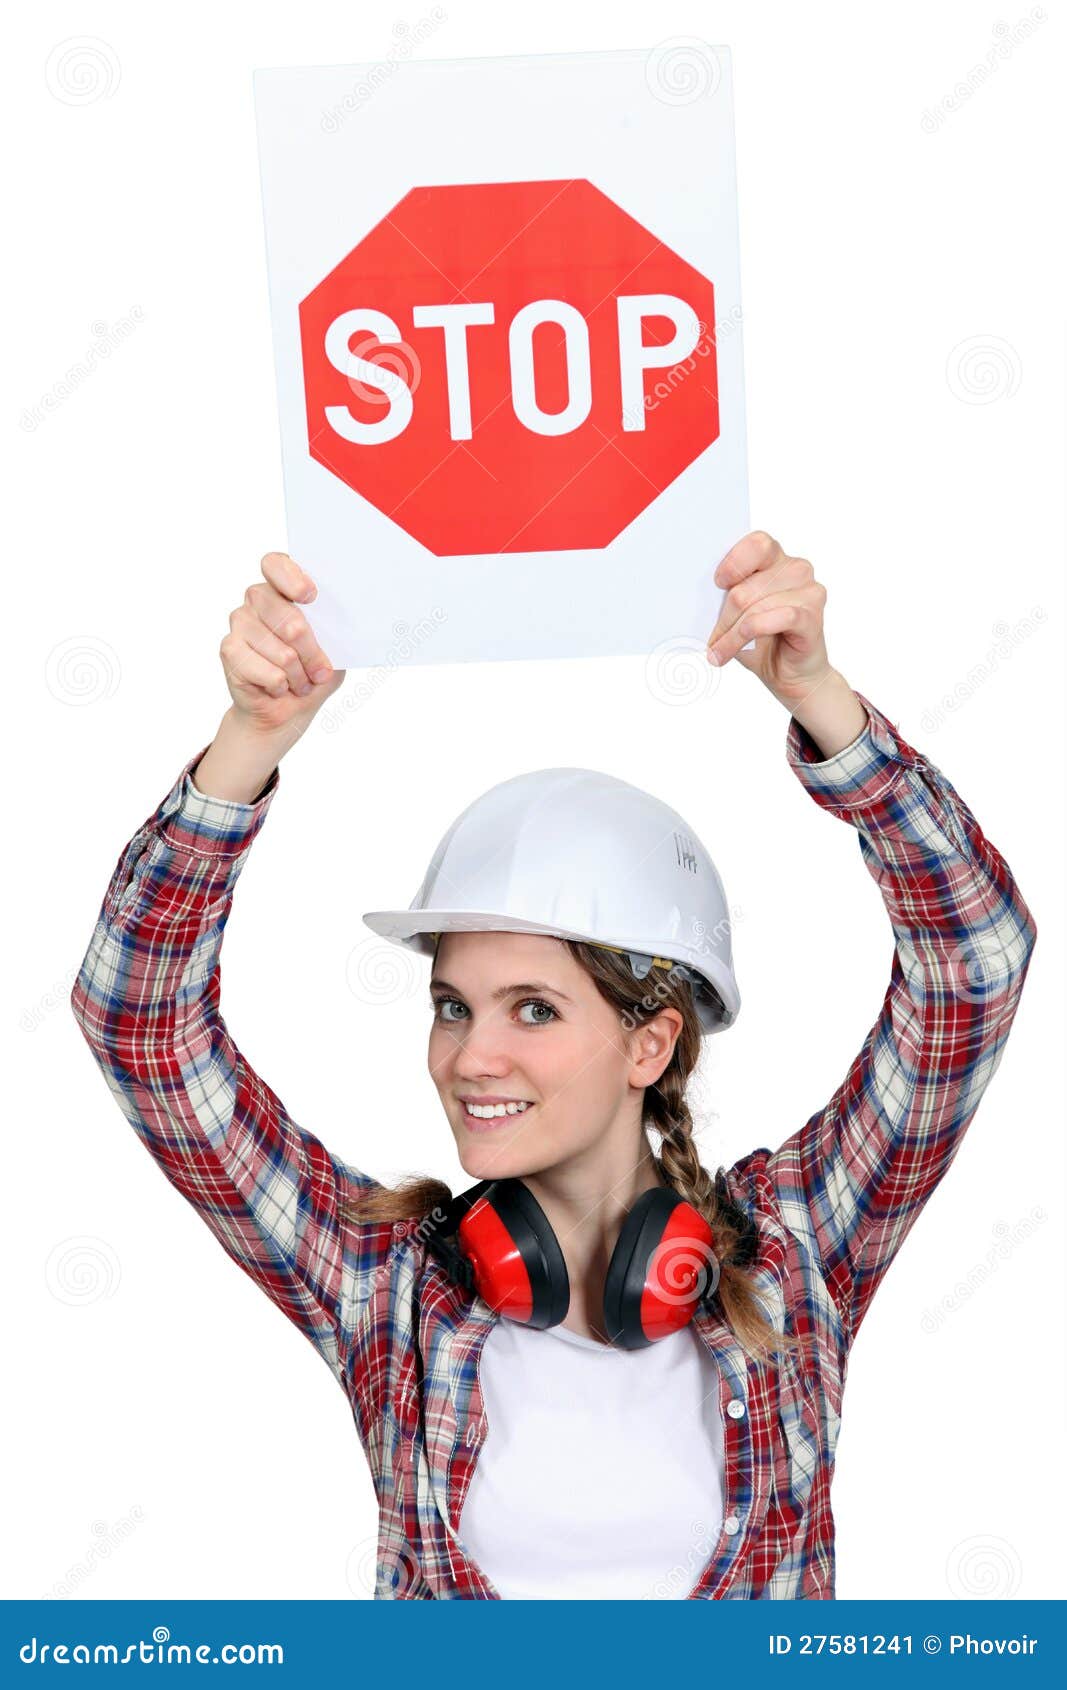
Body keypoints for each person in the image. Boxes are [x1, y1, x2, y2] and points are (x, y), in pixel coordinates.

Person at [70, 531, 1036, 1599]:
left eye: (532, 1007)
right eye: (451, 1005)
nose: (470, 1055)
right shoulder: (388, 1282)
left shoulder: (795, 1248)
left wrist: (820, 702)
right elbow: (139, 1024)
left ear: (648, 1042)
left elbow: (974, 963)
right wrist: (249, 742)